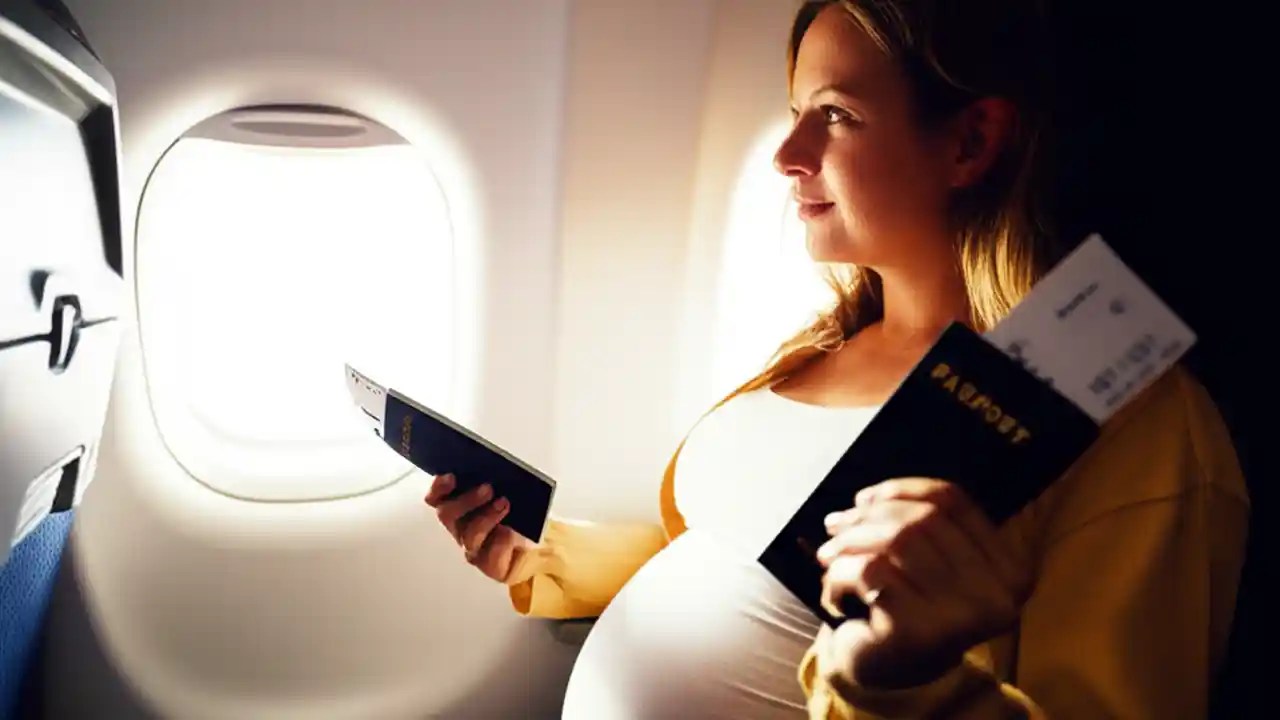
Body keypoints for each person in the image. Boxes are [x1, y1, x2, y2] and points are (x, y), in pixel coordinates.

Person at [425, 0, 1250, 717]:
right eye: (792, 112)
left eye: (837, 114)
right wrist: (549, 554)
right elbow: (740, 567)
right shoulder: (815, 348)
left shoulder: (1128, 427)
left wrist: (900, 683)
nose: (789, 152)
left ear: (970, 142)